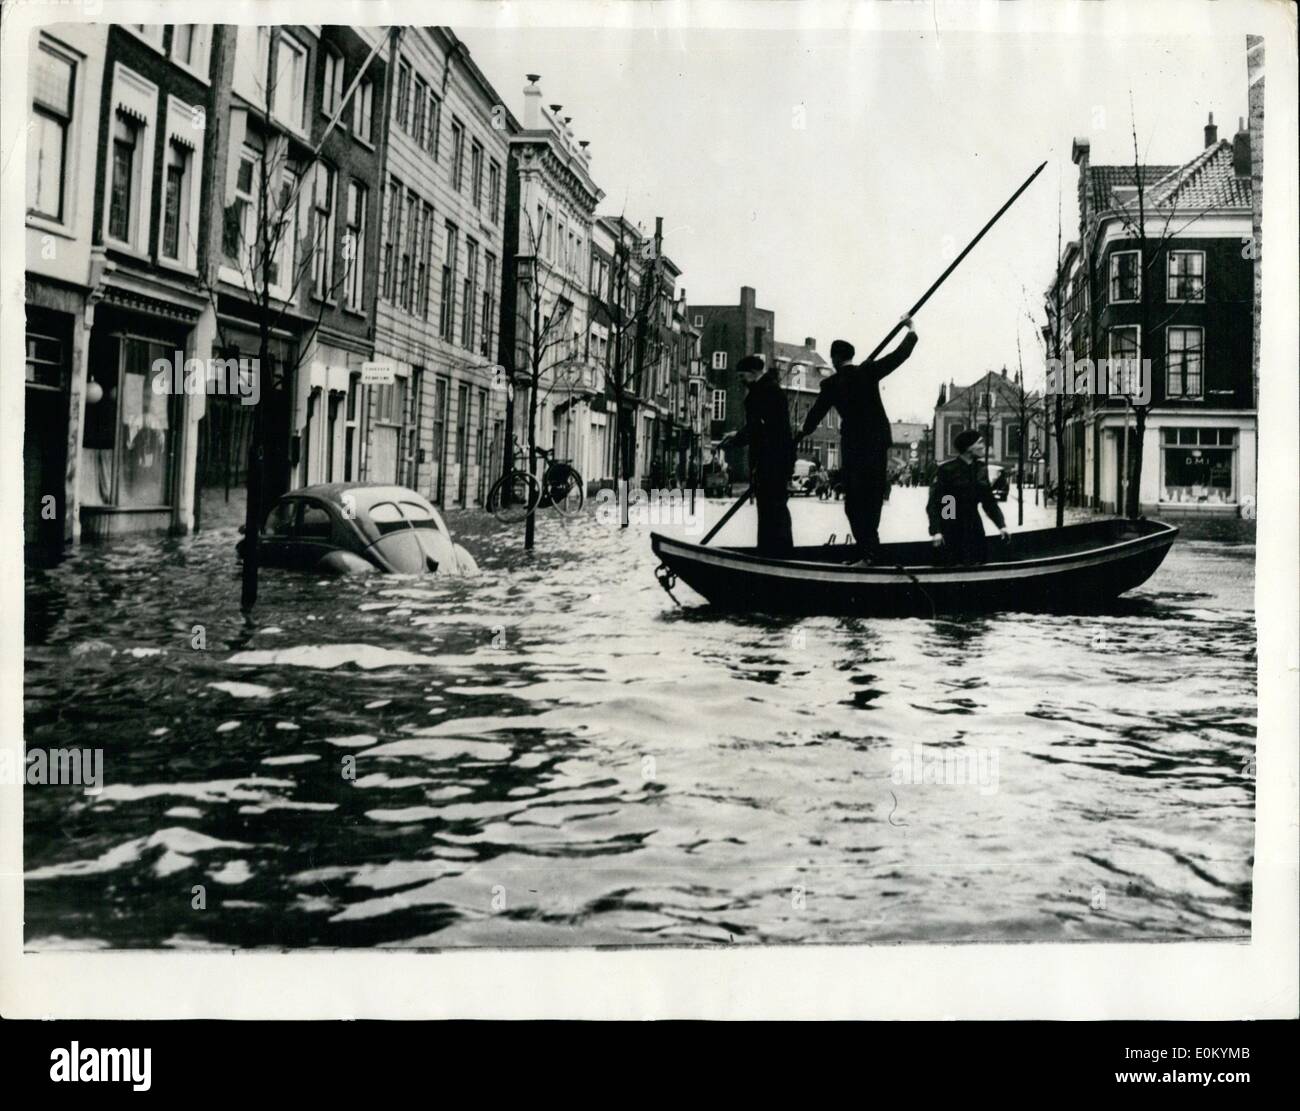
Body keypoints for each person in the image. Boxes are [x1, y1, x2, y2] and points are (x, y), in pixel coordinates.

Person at [797, 316, 919, 563]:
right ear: (851, 355)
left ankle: (868, 553)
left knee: (853, 503)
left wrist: (799, 434)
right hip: (877, 444)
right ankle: (870, 553)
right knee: (873, 498)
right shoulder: (868, 371)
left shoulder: (832, 384)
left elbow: (815, 415)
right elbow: (900, 355)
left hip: (853, 447)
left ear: (834, 359)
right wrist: (911, 329)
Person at [720, 355, 795, 557]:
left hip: (769, 462)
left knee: (770, 510)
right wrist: (739, 434)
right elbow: (766, 426)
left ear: (753, 373)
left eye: (742, 375)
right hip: (777, 461)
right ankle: (779, 553)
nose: (740, 380)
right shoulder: (771, 390)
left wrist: (737, 440)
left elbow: (758, 429)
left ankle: (772, 555)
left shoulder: (761, 394)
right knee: (775, 510)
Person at [926, 429, 1010, 564]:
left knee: (978, 563)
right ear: (968, 447)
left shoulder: (981, 469)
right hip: (952, 526)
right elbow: (937, 503)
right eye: (980, 443)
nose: (983, 446)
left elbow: (988, 501)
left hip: (974, 526)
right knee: (954, 564)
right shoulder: (947, 470)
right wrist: (937, 531)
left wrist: (1001, 525)